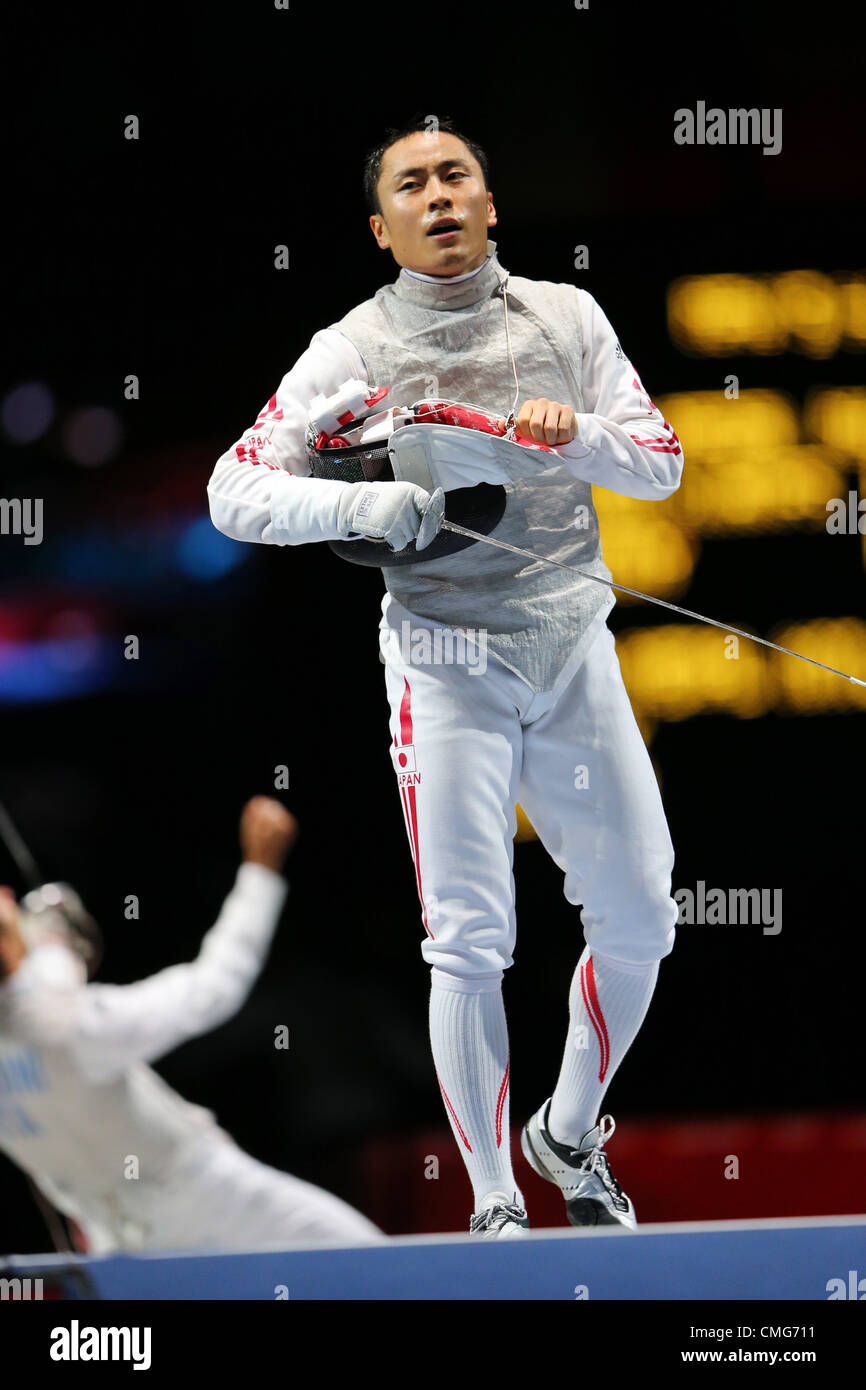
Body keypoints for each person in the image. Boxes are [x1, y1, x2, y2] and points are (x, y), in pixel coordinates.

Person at [207, 117, 684, 1238]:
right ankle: (491, 1203)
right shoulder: (350, 349)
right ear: (382, 228)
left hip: (570, 639)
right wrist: (362, 503)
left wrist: (576, 438)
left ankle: (567, 1136)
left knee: (641, 917)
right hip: (442, 662)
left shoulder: (567, 316)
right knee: (469, 937)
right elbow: (235, 489)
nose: (438, 196)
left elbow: (659, 464)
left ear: (489, 201)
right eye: (411, 185)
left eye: (455, 175)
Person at [0, 797, 382, 1252]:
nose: (8, 895)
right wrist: (260, 871)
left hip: (117, 1241)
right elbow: (214, 988)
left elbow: (34, 993)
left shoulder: (46, 1003)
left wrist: (49, 941)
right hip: (204, 1196)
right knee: (371, 1260)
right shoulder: (79, 1026)